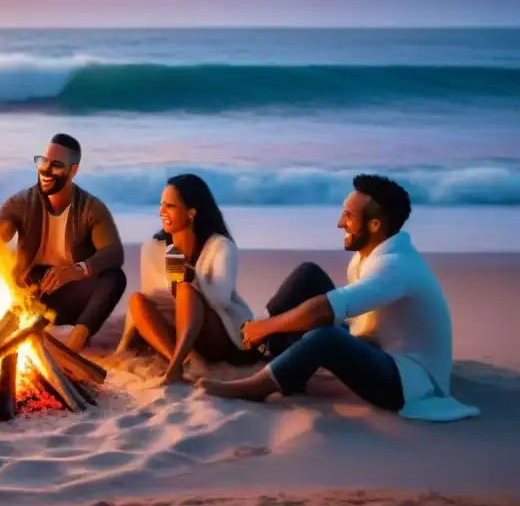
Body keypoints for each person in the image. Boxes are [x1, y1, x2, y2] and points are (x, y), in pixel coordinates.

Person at [198, 174, 480, 422]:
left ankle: (257, 387)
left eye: (348, 216)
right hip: (377, 348)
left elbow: (325, 309)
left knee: (327, 336)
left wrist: (266, 326)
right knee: (307, 276)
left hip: (409, 381)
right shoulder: (368, 256)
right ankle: (272, 356)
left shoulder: (395, 266)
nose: (339, 223)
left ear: (375, 225)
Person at [0, 133, 126, 351]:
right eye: (43, 162)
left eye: (56, 165)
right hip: (33, 295)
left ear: (73, 171)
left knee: (114, 278)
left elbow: (113, 253)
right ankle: (30, 329)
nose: (46, 170)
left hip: (75, 296)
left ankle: (76, 340)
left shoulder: (90, 208)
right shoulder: (21, 203)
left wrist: (76, 270)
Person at [116, 174, 259, 385]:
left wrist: (189, 278)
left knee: (185, 290)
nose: (161, 212)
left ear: (191, 212)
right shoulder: (152, 248)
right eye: (161, 204)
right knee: (137, 300)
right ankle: (181, 362)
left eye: (170, 206)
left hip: (215, 333)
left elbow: (220, 299)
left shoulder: (221, 246)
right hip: (176, 330)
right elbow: (153, 297)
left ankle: (176, 365)